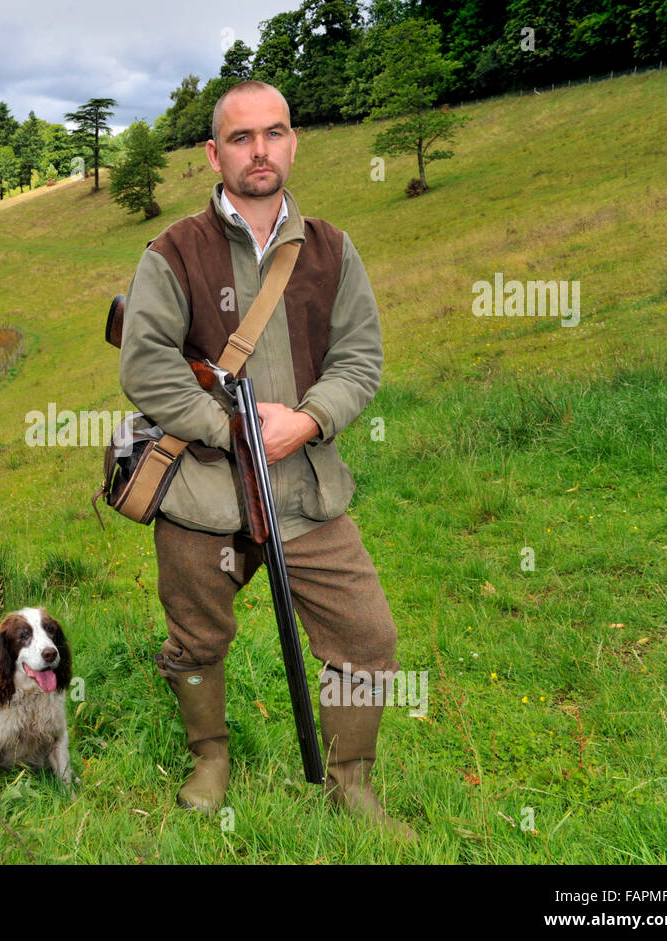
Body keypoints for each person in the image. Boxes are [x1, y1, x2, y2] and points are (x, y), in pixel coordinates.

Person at [118, 79, 415, 840]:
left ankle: (352, 785)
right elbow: (147, 368)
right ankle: (210, 760)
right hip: (202, 497)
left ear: (294, 142)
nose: (261, 150)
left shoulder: (333, 251)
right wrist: (232, 430)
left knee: (367, 637)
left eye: (275, 133)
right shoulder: (171, 252)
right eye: (242, 138)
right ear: (214, 154)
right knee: (195, 636)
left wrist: (309, 421)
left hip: (305, 490)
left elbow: (360, 360)